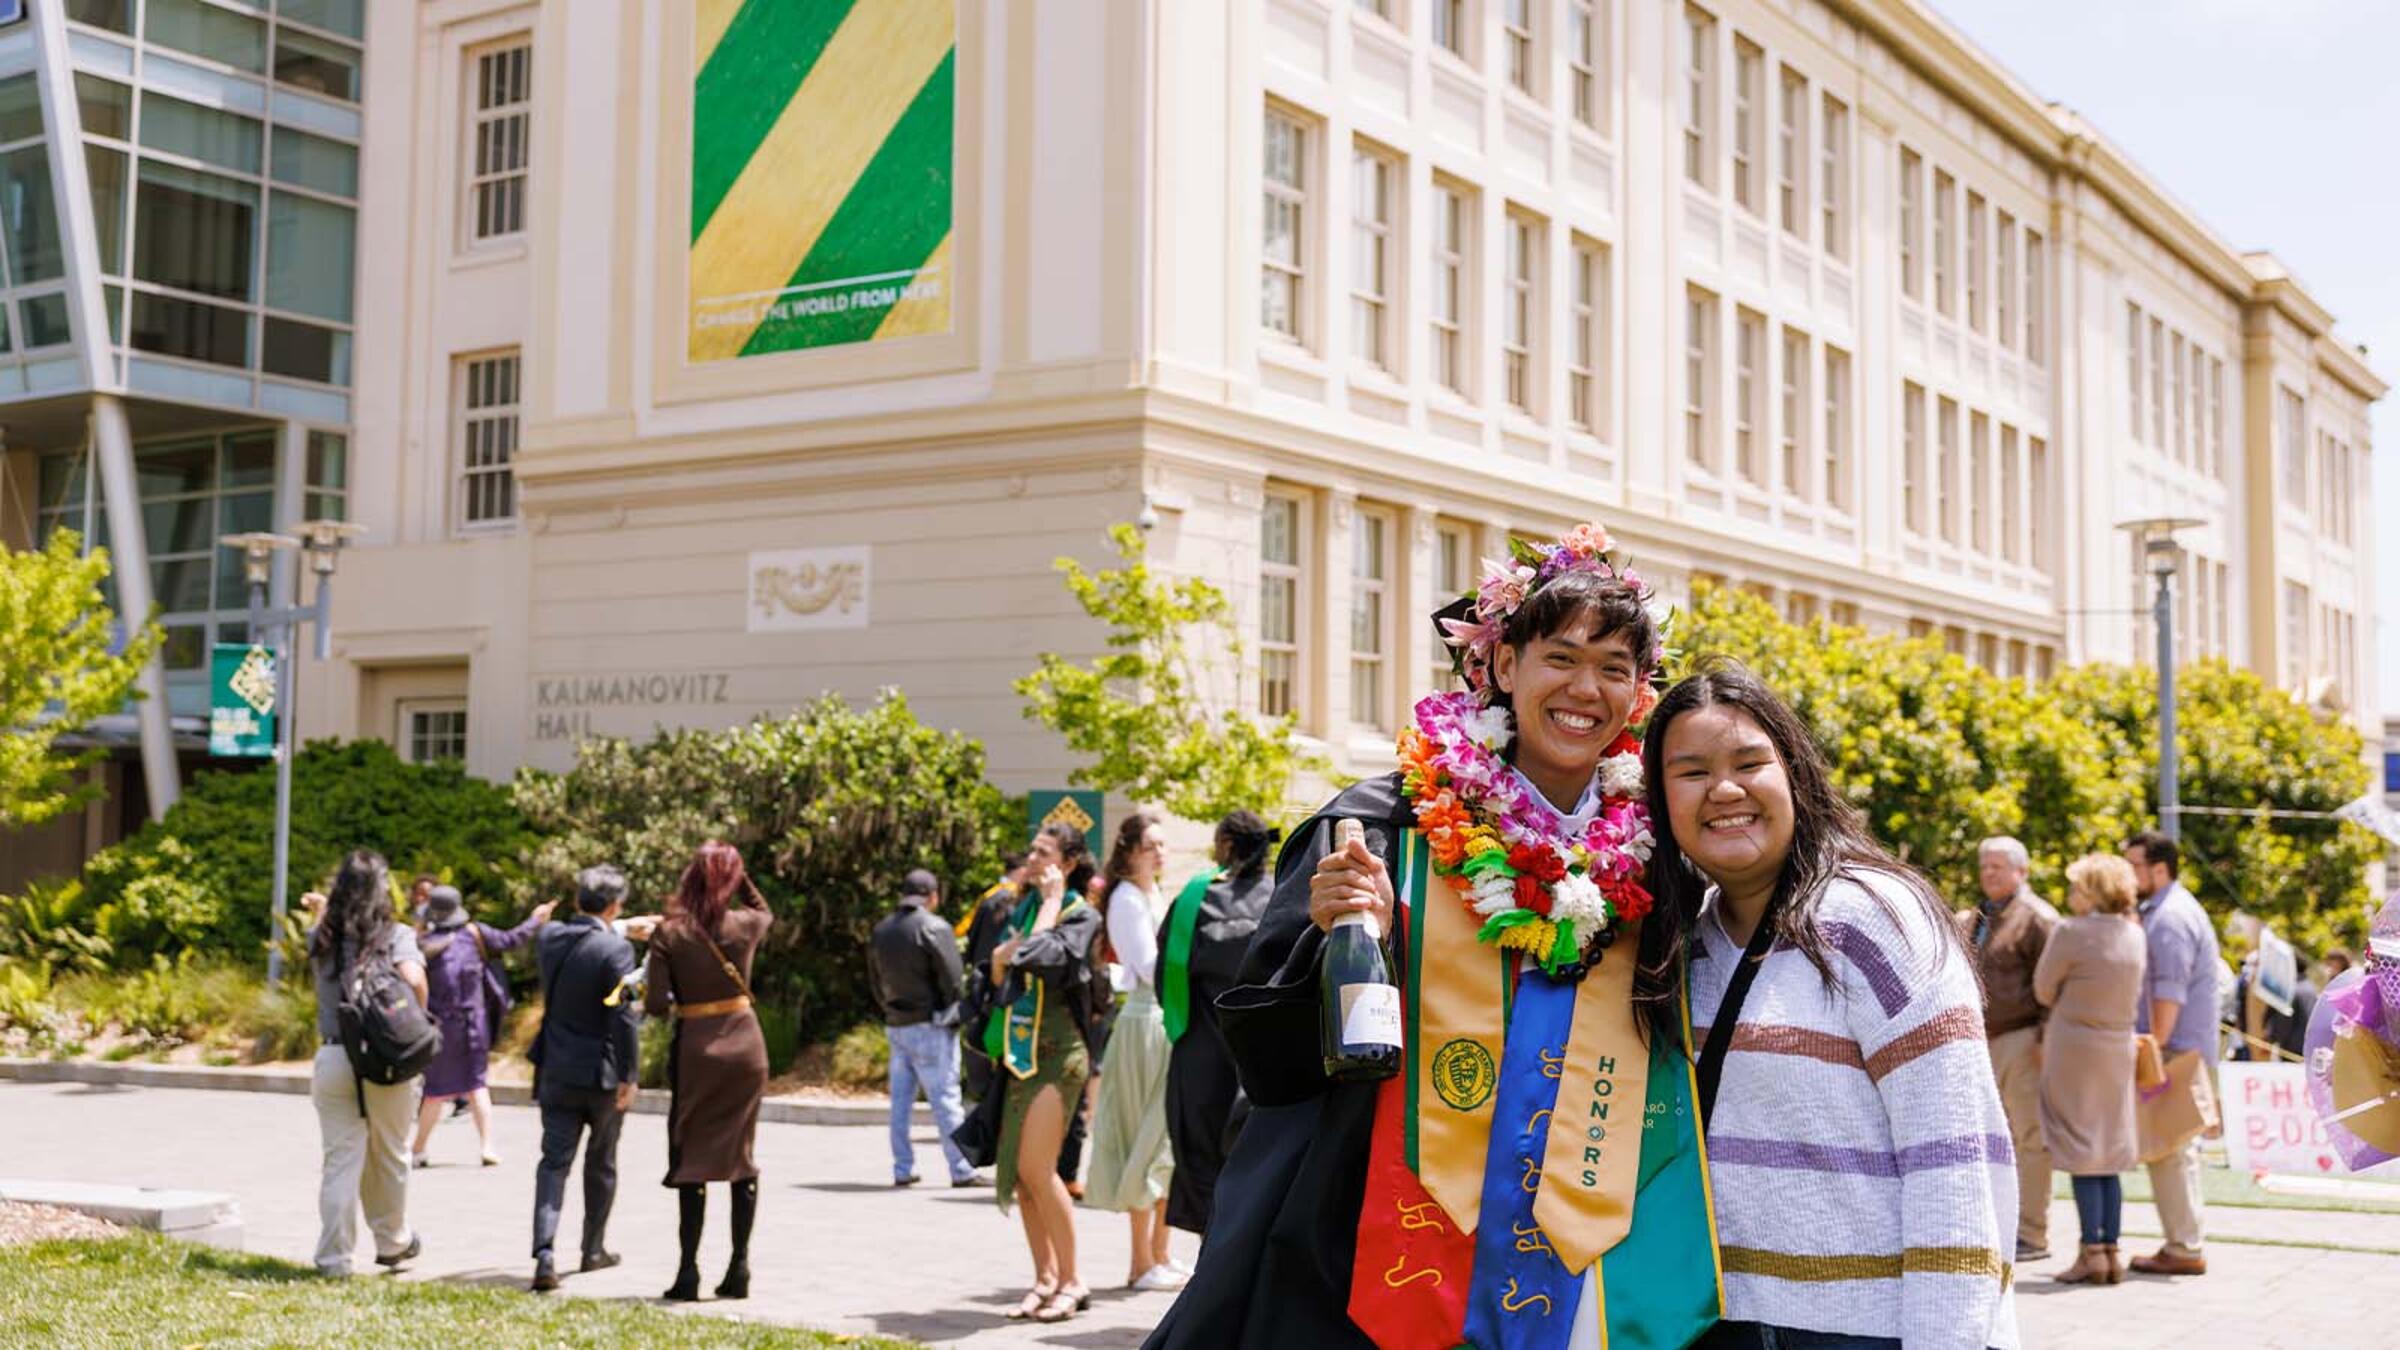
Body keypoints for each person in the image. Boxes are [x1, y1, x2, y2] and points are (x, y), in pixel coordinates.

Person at [1151, 522, 1720, 1350]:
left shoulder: (1660, 856)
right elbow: (1270, 1069)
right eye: (1560, 657)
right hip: (1376, 1242)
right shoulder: (1377, 828)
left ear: (1638, 695)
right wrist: (1344, 944)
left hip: (1595, 1244)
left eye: (1614, 669)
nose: (1584, 689)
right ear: (1498, 664)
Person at [1652, 662, 2018, 1350]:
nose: (1724, 789)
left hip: (1862, 1331)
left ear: (1794, 770)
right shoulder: (1679, 946)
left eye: (1749, 762)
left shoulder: (1877, 919)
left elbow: (1954, 1159)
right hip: (1711, 1324)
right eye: (1692, 771)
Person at [644, 841, 775, 1302]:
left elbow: (657, 1006)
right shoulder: (747, 924)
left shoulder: (670, 933)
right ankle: (739, 1268)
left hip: (697, 1048)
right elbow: (763, 908)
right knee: (742, 1156)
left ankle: (687, 1272)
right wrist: (735, 871)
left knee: (690, 1161)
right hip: (746, 1046)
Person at [990, 822, 1107, 1324]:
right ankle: (1044, 1277)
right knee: (1021, 1178)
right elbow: (996, 974)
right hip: (1020, 1054)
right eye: (1032, 850)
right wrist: (1000, 959)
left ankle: (1073, 1280)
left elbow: (1036, 956)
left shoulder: (1080, 917)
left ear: (1069, 862)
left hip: (1060, 1056)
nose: (1033, 858)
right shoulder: (1024, 909)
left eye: (1044, 852)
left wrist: (1052, 904)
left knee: (1041, 1170)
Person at [1155, 810, 1279, 1238]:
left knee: (1202, 1166)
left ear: (1226, 845)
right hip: (1265, 1059)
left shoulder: (1196, 898)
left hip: (1203, 1052)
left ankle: (1209, 1266)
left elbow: (1167, 979)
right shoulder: (1283, 896)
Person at [305, 850, 428, 1277]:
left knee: (341, 1159)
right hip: (385, 1060)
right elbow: (413, 979)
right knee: (391, 1155)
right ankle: (393, 1242)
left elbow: (324, 927)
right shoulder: (396, 935)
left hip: (335, 1054)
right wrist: (413, 1022)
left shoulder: (322, 937)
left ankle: (335, 1259)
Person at [529, 866, 645, 1292]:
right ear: (614, 906)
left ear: (578, 901)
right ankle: (592, 1249)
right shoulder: (616, 952)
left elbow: (575, 932)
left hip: (556, 1069)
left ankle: (544, 1251)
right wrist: (630, 1075)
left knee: (553, 1163)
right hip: (602, 1073)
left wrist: (620, 928)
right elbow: (623, 1017)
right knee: (601, 1162)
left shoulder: (550, 938)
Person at [2033, 853, 2147, 1286]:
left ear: (2092, 892)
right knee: (2109, 1151)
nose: (2071, 895)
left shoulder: (2070, 932)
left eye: (2077, 887)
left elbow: (2043, 989)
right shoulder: (2134, 935)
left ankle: (2089, 1252)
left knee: (2081, 1150)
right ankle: (2111, 1250)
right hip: (2118, 1047)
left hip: (2074, 1047)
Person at [1086, 811, 1183, 1291]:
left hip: (1161, 1017)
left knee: (1163, 1139)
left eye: (1163, 845)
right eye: (1152, 845)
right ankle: (1142, 1261)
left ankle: (1158, 1254)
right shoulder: (1126, 898)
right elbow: (1147, 965)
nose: (1161, 853)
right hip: (1146, 1020)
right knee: (1145, 1136)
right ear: (1130, 851)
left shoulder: (1151, 893)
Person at [2122, 829, 2220, 1277]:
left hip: (2176, 1051)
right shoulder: (2168, 911)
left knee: (2170, 1151)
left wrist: (2153, 1047)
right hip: (2183, 1049)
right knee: (2179, 1152)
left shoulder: (2169, 918)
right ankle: (2185, 1242)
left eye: (2134, 865)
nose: (2128, 874)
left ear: (2158, 869)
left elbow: (2169, 992)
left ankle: (2183, 1247)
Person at [1958, 835, 2061, 1263]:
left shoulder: (2038, 918)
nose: (1989, 874)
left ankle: (2033, 1233)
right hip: (1983, 1039)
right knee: (1992, 1139)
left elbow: (2055, 985)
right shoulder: (1984, 914)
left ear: (2022, 871)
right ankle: (2000, 1224)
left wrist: (2045, 1038)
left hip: (2023, 1039)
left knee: (2029, 1137)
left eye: (1998, 867)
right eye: (1985, 866)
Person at [409, 886, 554, 1168]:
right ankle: (487, 1145)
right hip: (474, 1023)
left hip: (440, 1027)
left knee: (435, 1090)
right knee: (476, 1084)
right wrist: (535, 920)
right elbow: (512, 939)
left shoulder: (424, 945)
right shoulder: (475, 934)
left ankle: (418, 1148)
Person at [870, 867, 978, 1189]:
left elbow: (875, 980)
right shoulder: (934, 927)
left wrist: (889, 1009)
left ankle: (902, 1167)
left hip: (896, 1023)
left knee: (900, 1103)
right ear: (933, 896)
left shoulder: (882, 931)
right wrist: (953, 1010)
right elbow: (952, 977)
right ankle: (961, 1168)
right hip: (931, 1024)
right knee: (945, 1099)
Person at [960, 853, 1029, 1103]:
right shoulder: (1011, 899)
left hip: (983, 985)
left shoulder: (989, 896)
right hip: (1001, 986)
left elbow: (970, 944)